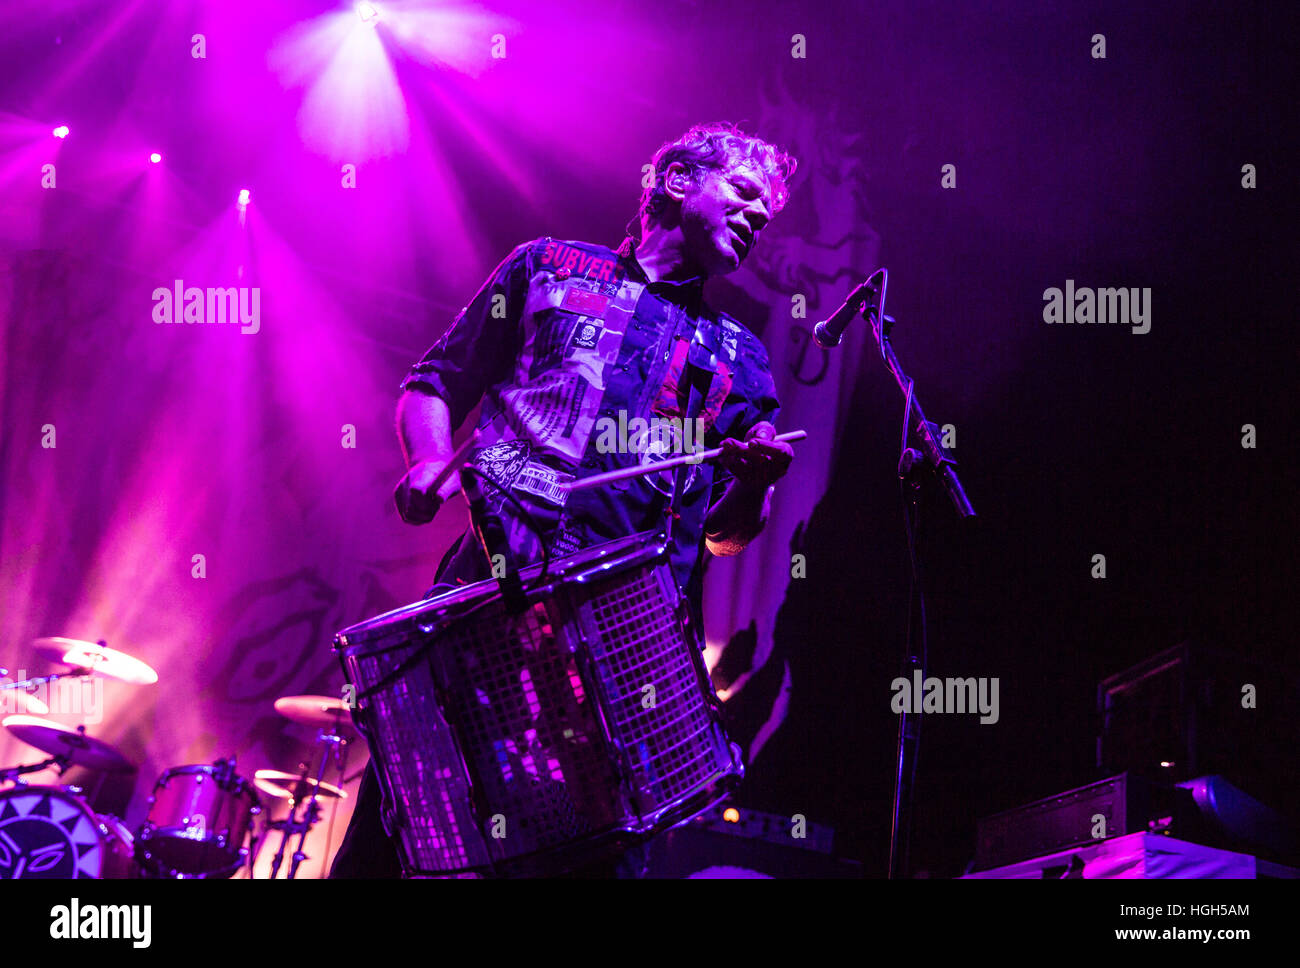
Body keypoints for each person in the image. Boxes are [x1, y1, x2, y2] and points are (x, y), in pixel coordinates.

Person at [330, 121, 798, 878]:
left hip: (631, 631)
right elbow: (437, 381)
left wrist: (753, 479)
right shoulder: (547, 268)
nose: (754, 220)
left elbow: (729, 536)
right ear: (676, 182)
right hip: (494, 585)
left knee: (596, 847)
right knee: (415, 815)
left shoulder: (739, 354)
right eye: (742, 195)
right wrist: (427, 462)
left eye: (764, 217)